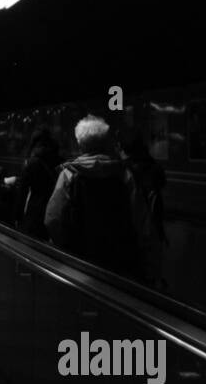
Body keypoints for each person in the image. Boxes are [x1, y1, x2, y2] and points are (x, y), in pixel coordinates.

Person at [44, 115, 154, 282]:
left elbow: (53, 219)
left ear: (80, 144)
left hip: (79, 259)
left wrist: (66, 248)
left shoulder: (69, 175)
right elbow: (140, 219)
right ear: (105, 142)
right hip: (119, 260)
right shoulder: (124, 174)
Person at [119, 127, 168, 287]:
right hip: (153, 232)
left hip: (132, 233)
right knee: (151, 279)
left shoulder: (124, 172)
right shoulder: (155, 169)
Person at [14, 128, 61, 239]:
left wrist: (17, 216)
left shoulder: (31, 163)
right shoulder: (59, 160)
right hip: (54, 211)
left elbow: (22, 192)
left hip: (35, 213)